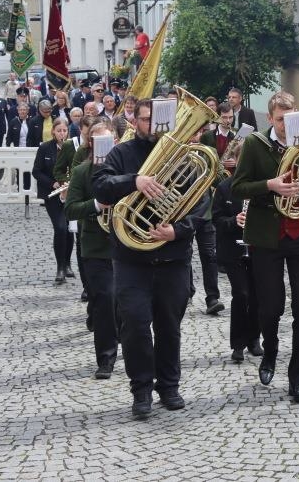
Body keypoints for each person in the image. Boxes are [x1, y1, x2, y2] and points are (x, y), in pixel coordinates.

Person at [93, 99, 210, 418]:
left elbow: (201, 202)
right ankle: (141, 389)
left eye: (157, 122)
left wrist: (178, 230)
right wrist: (135, 182)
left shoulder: (186, 158)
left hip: (172, 257)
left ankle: (169, 386)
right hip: (131, 259)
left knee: (170, 326)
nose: (152, 127)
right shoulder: (121, 153)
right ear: (136, 120)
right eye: (146, 121)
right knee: (134, 325)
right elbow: (100, 187)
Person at [231, 90, 299, 404]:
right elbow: (237, 187)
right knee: (270, 306)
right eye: (280, 120)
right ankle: (270, 354)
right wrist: (269, 185)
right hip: (267, 238)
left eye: (291, 120)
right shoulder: (255, 144)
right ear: (271, 118)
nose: (287, 127)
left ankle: (298, 377)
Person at [65, 120, 120, 379]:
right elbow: (71, 208)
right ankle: (106, 358)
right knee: (104, 302)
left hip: (127, 245)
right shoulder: (82, 172)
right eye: (100, 143)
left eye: (109, 142)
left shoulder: (126, 169)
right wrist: (97, 204)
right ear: (91, 144)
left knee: (129, 304)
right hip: (96, 247)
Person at [213, 139, 262, 362]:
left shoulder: (261, 186)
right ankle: (238, 344)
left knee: (257, 295)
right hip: (233, 250)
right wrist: (235, 220)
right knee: (241, 294)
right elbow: (216, 220)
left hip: (258, 247)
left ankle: (254, 339)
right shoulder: (225, 187)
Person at [188, 125, 224, 316]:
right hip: (183, 213)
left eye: (198, 133)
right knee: (185, 254)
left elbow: (219, 180)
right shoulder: (176, 151)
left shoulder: (208, 152)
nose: (195, 137)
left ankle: (212, 297)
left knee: (209, 255)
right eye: (192, 133)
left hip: (205, 212)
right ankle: (187, 291)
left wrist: (212, 169)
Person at [33, 119, 74, 284]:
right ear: (53, 132)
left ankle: (68, 263)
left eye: (65, 131)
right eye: (59, 131)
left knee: (70, 229)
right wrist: (53, 183)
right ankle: (60, 268)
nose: (62, 134)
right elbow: (36, 171)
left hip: (70, 193)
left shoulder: (72, 147)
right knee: (60, 227)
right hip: (52, 193)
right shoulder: (45, 148)